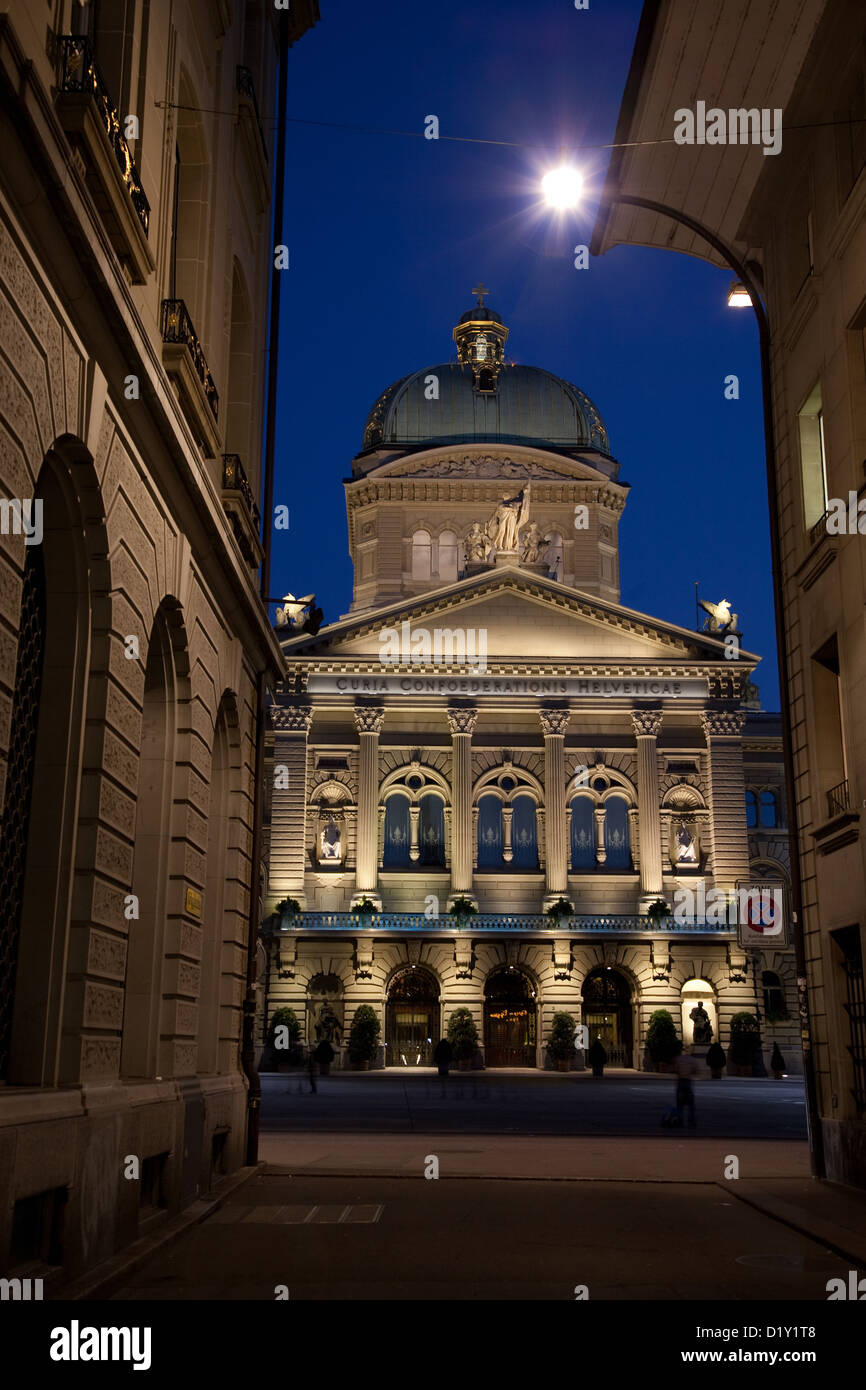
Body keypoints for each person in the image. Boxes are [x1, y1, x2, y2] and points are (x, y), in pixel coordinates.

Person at [672, 1041, 700, 1127]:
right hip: (688, 1081)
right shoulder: (693, 1060)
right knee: (691, 1104)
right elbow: (696, 1071)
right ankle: (691, 1121)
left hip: (680, 1081)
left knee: (679, 1103)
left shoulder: (679, 1059)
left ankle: (680, 1121)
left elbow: (675, 1069)